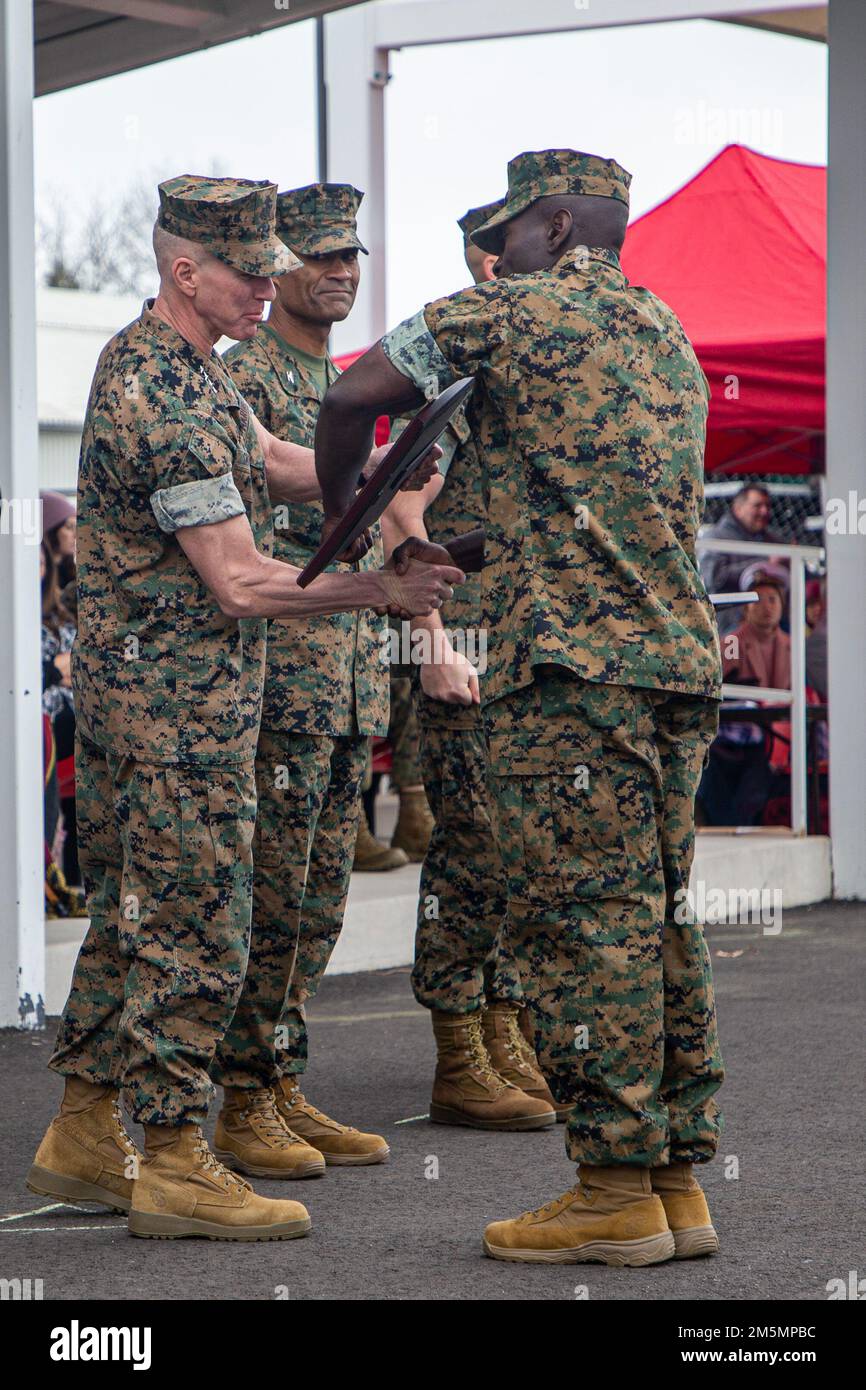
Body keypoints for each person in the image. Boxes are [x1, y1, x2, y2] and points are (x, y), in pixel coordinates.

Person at [28, 174, 461, 1242]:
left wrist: (377, 468)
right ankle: (174, 1158)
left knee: (132, 929)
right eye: (249, 272)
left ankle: (86, 1129)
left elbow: (273, 464)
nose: (271, 288)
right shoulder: (158, 387)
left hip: (176, 711)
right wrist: (380, 586)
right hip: (177, 720)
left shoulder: (195, 372)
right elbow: (238, 580)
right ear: (187, 271)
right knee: (195, 930)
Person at [314, 148, 725, 1267]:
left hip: (567, 678)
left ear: (549, 226)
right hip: (673, 666)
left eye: (510, 232)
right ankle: (673, 1177)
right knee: (657, 920)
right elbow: (594, 509)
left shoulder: (509, 316)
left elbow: (352, 393)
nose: (497, 255)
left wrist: (348, 513)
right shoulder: (664, 333)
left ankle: (605, 1190)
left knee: (575, 926)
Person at [219, 182, 397, 1168]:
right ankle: (242, 1100)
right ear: (272, 267)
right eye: (319, 255)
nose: (337, 271)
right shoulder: (242, 377)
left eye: (348, 256)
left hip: (348, 684)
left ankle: (281, 1081)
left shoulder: (351, 386)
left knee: (322, 899)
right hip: (282, 679)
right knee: (275, 896)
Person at [381, 197, 560, 1132]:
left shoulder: (537, 363)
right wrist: (435, 648)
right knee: (473, 851)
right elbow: (401, 515)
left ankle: (505, 1025)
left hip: (526, 650)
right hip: (470, 645)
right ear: (487, 264)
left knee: (521, 852)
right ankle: (461, 1050)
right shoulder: (461, 362)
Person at [698, 564, 791, 827]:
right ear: (746, 607)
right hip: (736, 737)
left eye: (773, 599)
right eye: (758, 600)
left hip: (781, 736)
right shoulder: (731, 642)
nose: (767, 607)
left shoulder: (792, 645)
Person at [698, 485, 781, 635]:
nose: (764, 511)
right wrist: (764, 564)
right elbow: (713, 578)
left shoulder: (773, 540)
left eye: (767, 506)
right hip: (728, 627)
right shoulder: (716, 537)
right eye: (757, 505)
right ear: (738, 508)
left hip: (770, 630)